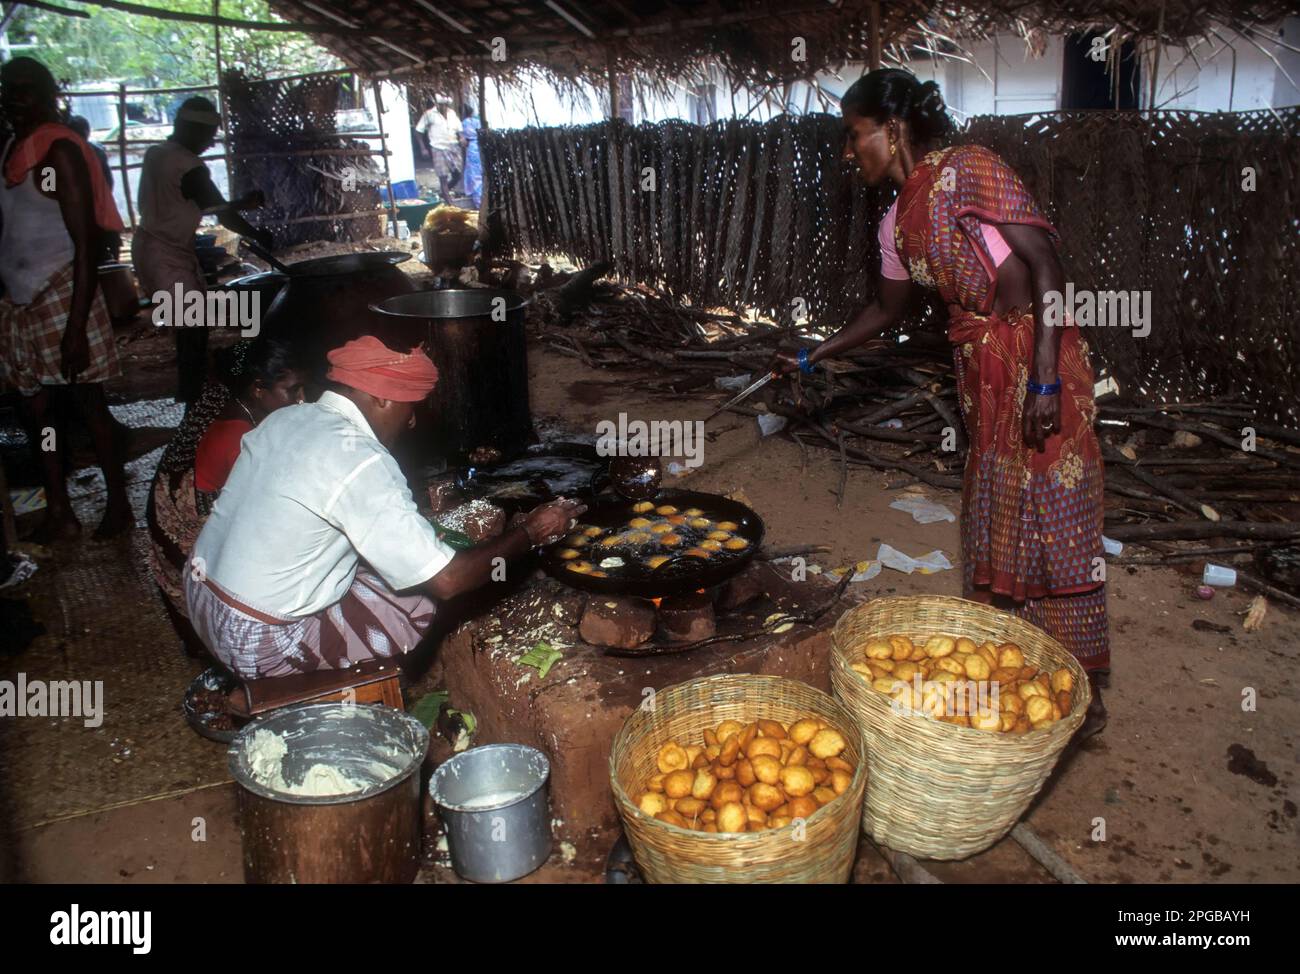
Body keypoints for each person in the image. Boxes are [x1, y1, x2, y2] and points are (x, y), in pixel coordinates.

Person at [774, 69, 1109, 733]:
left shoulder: (970, 171)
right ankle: (1019, 676)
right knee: (998, 515)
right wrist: (815, 353)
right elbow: (884, 309)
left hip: (1036, 360)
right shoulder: (900, 223)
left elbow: (1045, 264)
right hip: (981, 380)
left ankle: (1082, 694)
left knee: (1056, 517)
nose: (848, 151)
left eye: (854, 134)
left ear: (891, 129)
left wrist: (1043, 378)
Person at [185, 336, 583, 680]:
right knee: (417, 597)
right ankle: (301, 687)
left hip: (202, 600)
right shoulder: (360, 458)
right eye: (412, 409)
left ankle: (262, 679)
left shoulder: (286, 418)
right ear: (382, 398)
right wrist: (532, 531)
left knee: (381, 563)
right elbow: (448, 581)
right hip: (258, 640)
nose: (411, 424)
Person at [0, 57, 130, 541]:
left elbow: (85, 244)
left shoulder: (57, 156)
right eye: (7, 91)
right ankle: (60, 508)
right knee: (38, 415)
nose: (13, 100)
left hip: (61, 296)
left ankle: (117, 504)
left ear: (50, 94)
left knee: (89, 408)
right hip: (21, 304)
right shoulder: (14, 152)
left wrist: (76, 328)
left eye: (25, 91)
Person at [146, 336, 306, 654]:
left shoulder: (232, 401)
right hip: (187, 535)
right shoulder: (239, 438)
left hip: (186, 508)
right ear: (258, 389)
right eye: (292, 390)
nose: (302, 400)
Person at [133, 96, 270, 405]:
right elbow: (219, 210)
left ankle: (191, 396)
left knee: (191, 328)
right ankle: (193, 407)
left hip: (154, 247)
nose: (210, 143)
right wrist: (254, 229)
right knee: (193, 331)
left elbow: (206, 205)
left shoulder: (158, 152)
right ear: (192, 129)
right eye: (208, 136)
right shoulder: (188, 165)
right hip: (165, 255)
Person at [415, 95, 461, 204]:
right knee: (442, 175)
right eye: (441, 105)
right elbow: (418, 131)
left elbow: (459, 129)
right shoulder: (429, 114)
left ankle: (443, 192)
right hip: (438, 148)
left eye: (445, 105)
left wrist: (462, 137)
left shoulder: (452, 113)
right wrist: (423, 148)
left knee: (457, 174)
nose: (443, 107)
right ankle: (449, 202)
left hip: (453, 146)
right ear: (437, 104)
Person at [459, 103, 482, 209]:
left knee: (474, 175)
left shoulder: (464, 123)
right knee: (480, 173)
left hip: (472, 148)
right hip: (480, 146)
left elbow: (464, 141)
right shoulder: (478, 121)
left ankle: (478, 201)